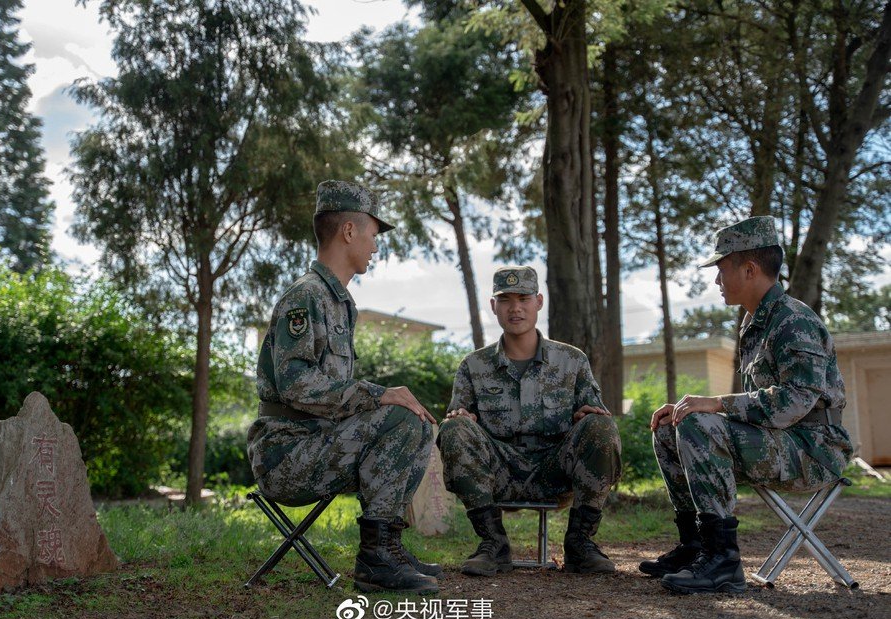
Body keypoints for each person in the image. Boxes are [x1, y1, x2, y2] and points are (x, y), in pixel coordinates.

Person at [246, 180, 441, 594]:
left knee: (418, 422)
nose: (375, 245)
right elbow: (297, 386)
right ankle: (374, 562)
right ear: (349, 232)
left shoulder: (337, 302)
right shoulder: (307, 297)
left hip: (316, 442)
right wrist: (379, 393)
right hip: (286, 454)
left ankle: (387, 545)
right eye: (372, 234)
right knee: (399, 417)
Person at [641, 216, 853, 595]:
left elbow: (795, 402)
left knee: (699, 423)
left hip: (815, 449)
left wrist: (717, 404)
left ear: (750, 269)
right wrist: (696, 407)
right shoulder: (755, 322)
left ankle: (723, 561)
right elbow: (758, 405)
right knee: (674, 424)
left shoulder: (793, 320)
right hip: (783, 442)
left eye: (721, 270)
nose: (716, 280)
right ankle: (696, 548)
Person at [437, 265, 622, 576]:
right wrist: (464, 419)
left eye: (523, 298)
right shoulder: (474, 365)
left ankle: (580, 544)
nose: (515, 308)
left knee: (602, 426)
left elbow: (593, 415)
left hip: (555, 469)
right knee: (453, 428)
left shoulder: (572, 360)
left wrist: (582, 418)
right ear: (493, 305)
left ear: (539, 301)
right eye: (505, 299)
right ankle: (493, 545)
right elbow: (460, 418)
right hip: (500, 471)